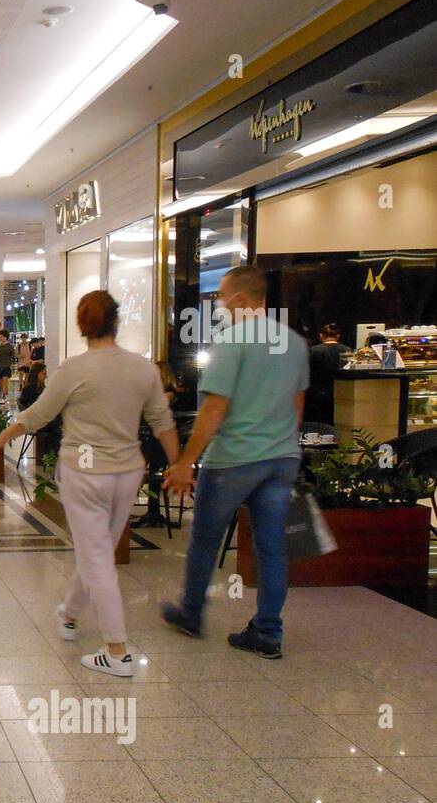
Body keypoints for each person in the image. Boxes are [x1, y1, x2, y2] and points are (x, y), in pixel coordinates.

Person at [0, 291, 179, 677]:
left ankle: (117, 650)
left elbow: (38, 415)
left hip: (84, 471)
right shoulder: (142, 369)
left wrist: (2, 437)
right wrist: (179, 464)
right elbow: (163, 422)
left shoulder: (74, 370)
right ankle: (71, 614)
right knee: (99, 548)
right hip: (127, 472)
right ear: (117, 322)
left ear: (82, 326)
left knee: (97, 555)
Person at [162, 264, 309, 659]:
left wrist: (186, 461)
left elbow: (215, 408)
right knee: (273, 546)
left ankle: (191, 613)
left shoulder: (232, 341)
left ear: (242, 299)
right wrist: (282, 445)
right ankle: (267, 632)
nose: (221, 306)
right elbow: (298, 404)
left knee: (206, 538)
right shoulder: (293, 342)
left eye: (223, 298)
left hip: (234, 460)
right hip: (281, 459)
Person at [130, 362, 182, 529]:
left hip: (158, 440)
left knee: (148, 467)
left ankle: (152, 511)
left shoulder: (169, 392)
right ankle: (150, 510)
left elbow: (156, 410)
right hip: (150, 436)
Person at [306, 324, 350, 426]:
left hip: (317, 392)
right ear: (338, 336)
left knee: (320, 422)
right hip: (341, 390)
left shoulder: (314, 350)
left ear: (321, 335)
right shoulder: (346, 350)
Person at [19, 360, 61, 462]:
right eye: (44, 374)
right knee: (60, 427)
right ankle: (52, 458)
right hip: (36, 422)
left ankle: (52, 458)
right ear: (37, 374)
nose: (46, 377)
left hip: (41, 419)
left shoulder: (41, 387)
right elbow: (32, 407)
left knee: (59, 426)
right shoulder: (29, 389)